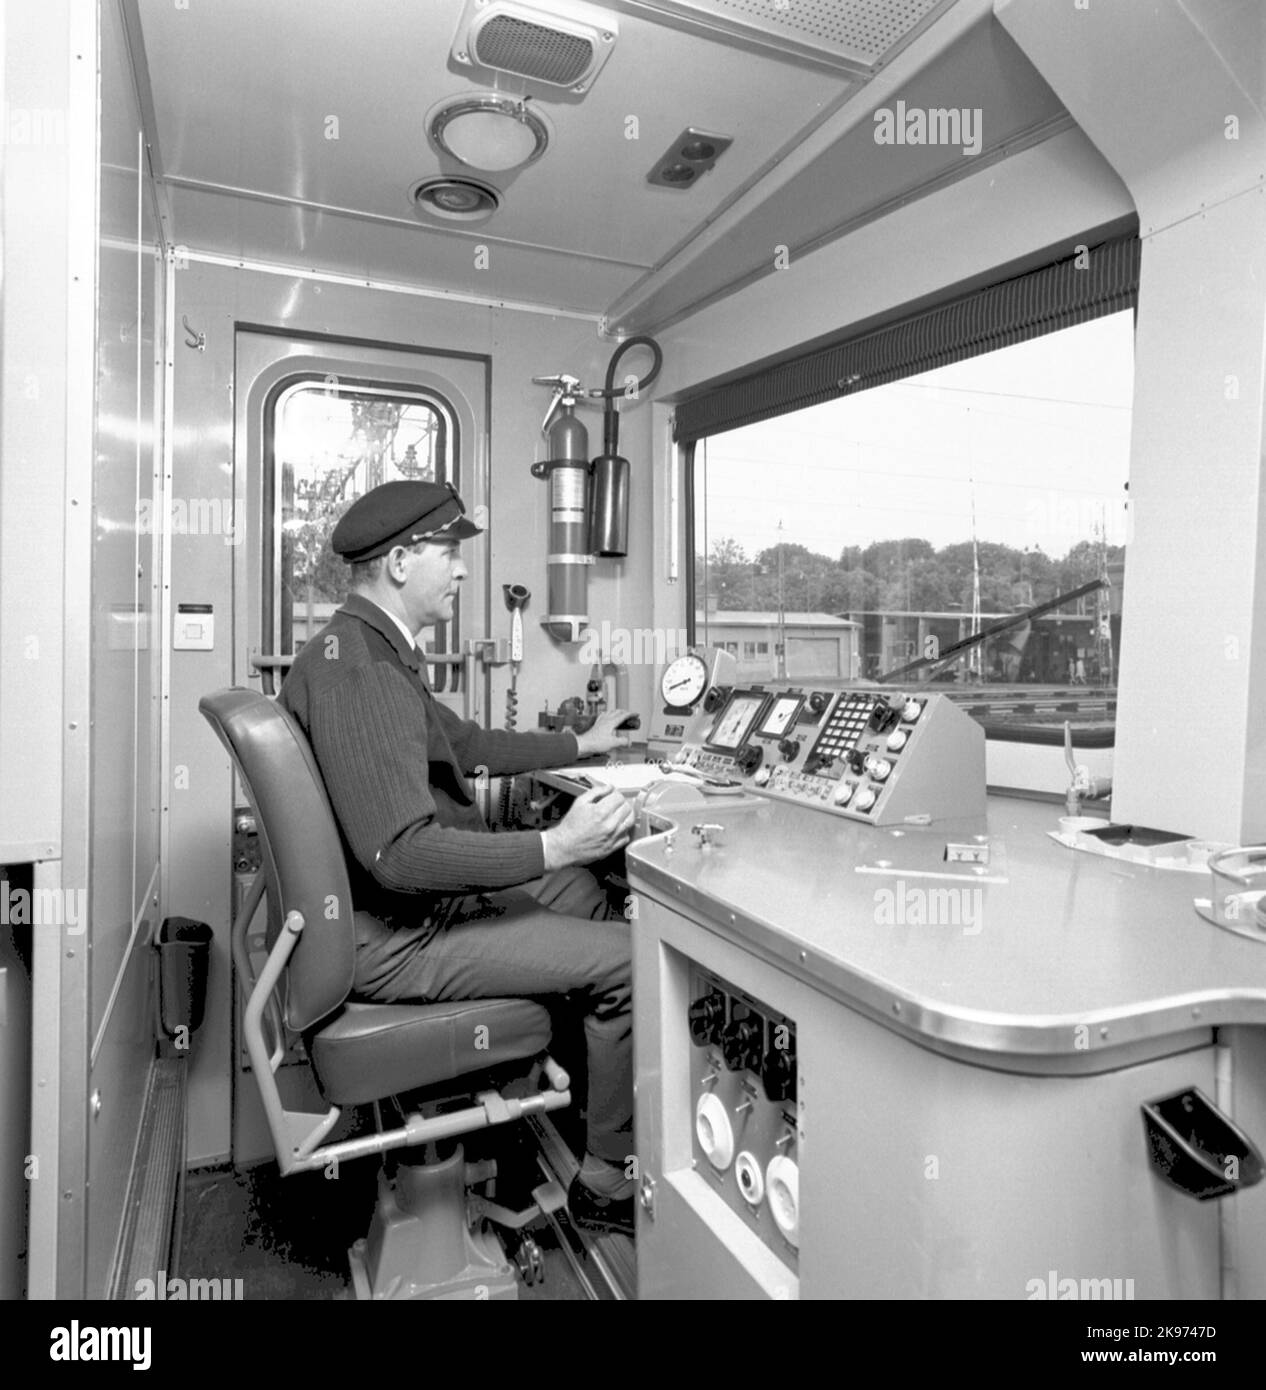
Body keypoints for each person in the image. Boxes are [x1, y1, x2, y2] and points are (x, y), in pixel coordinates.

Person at [278, 479, 638, 1235]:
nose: (464, 569)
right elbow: (401, 858)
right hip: (401, 937)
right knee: (631, 959)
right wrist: (554, 841)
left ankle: (579, 1100)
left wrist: (583, 744)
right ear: (403, 561)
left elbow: (466, 745)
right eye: (451, 552)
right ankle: (606, 1176)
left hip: (402, 918)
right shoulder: (363, 673)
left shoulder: (367, 647)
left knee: (580, 890)